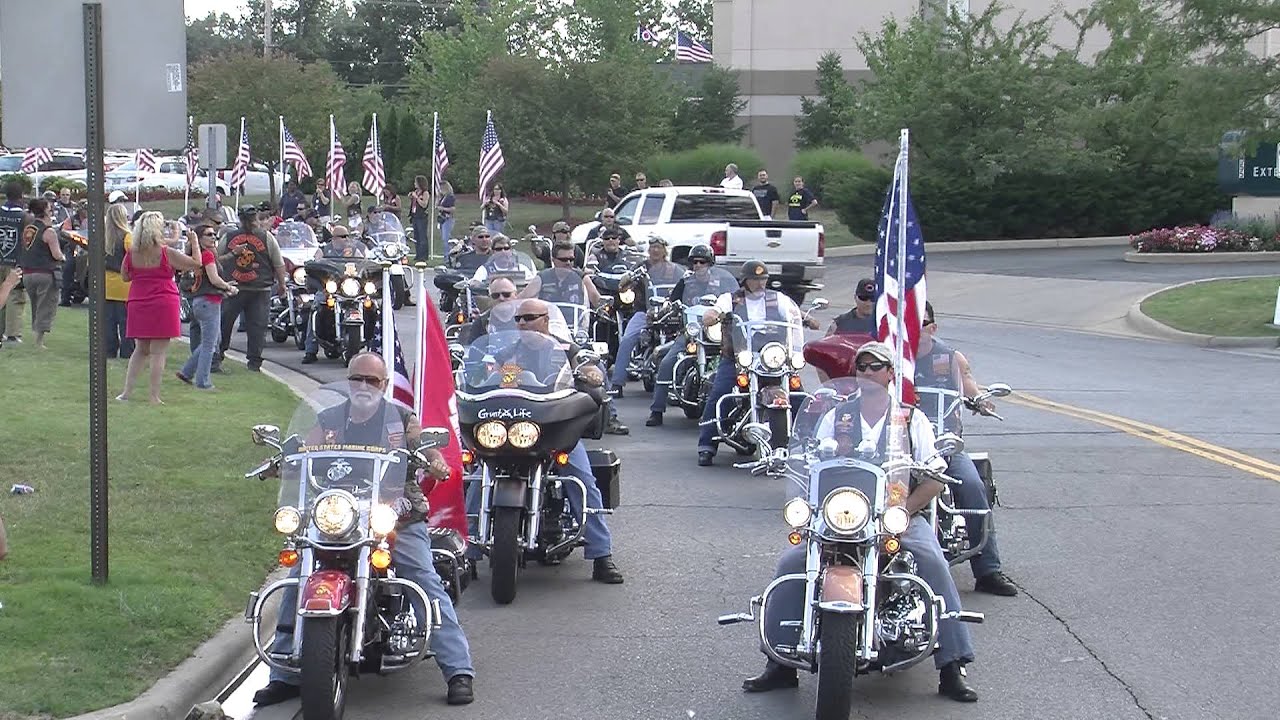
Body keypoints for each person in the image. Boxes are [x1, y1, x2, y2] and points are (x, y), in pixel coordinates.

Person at [740, 340, 980, 702]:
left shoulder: (911, 419)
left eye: (876, 367)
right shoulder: (836, 416)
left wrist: (904, 512)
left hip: (895, 514)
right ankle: (780, 663)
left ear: (890, 374)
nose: (868, 373)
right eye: (862, 367)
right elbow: (806, 461)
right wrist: (788, 468)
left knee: (931, 560)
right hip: (838, 514)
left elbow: (933, 477)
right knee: (792, 564)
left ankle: (952, 665)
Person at [251, 352, 477, 707]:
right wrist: (280, 461)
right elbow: (303, 449)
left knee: (422, 576)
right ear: (348, 380)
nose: (364, 386)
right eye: (358, 378)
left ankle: (458, 669)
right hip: (338, 514)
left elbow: (422, 448)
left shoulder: (401, 420)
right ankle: (285, 674)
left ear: (384, 385)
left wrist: (435, 463)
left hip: (394, 513)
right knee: (298, 578)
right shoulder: (328, 420)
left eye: (373, 381)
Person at [463, 298, 625, 583]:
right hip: (508, 427)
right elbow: (479, 374)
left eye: (529, 318)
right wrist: (467, 373)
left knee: (582, 480)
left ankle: (602, 555)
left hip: (549, 431)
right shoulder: (504, 352)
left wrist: (592, 373)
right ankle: (467, 556)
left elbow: (591, 370)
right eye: (519, 319)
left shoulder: (565, 349)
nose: (523, 324)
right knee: (478, 478)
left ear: (546, 319)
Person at [916, 301, 1017, 596]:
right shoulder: (894, 359)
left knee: (973, 486)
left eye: (921, 322)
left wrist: (980, 401)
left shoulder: (950, 358)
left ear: (933, 327)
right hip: (905, 445)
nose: (914, 328)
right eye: (908, 321)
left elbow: (969, 385)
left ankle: (988, 570)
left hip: (945, 444)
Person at [694, 260, 817, 465]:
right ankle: (707, 445)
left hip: (773, 357)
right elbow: (713, 313)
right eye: (755, 280)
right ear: (745, 281)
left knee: (798, 395)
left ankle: (810, 443)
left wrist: (806, 318)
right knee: (720, 392)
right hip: (739, 357)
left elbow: (792, 313)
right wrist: (713, 315)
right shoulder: (730, 299)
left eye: (763, 279)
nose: (760, 283)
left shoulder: (778, 298)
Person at [645, 244, 738, 427]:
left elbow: (736, 298)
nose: (698, 266)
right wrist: (667, 308)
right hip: (691, 332)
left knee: (741, 363)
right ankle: (657, 410)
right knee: (667, 363)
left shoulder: (723, 282)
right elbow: (671, 302)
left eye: (702, 262)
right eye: (694, 262)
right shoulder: (686, 282)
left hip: (718, 333)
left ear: (710, 263)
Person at [117, 213, 202, 404]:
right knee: (158, 352)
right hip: (163, 301)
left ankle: (126, 392)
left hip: (139, 300)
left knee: (140, 349)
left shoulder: (132, 253)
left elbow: (125, 276)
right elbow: (196, 264)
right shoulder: (166, 253)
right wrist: (194, 242)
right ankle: (154, 396)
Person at [214, 206, 287, 373]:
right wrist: (282, 284)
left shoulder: (228, 236)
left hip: (236, 288)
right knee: (257, 327)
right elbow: (278, 263)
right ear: (256, 219)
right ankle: (253, 363)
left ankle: (218, 358)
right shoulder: (266, 237)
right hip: (257, 288)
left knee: (225, 324)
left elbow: (217, 260)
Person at [609, 237, 683, 394]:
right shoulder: (641, 267)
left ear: (665, 250)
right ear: (648, 250)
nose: (655, 250)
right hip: (645, 311)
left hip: (669, 312)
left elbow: (685, 283)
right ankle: (617, 383)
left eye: (659, 247)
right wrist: (628, 279)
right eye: (653, 247)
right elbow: (623, 285)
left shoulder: (675, 269)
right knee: (628, 338)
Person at [177, 224, 239, 390]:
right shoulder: (207, 255)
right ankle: (203, 382)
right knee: (209, 345)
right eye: (209, 234)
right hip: (208, 303)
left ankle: (186, 371)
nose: (213, 237)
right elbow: (214, 279)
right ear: (199, 238)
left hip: (203, 302)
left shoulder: (200, 255)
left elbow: (209, 281)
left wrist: (224, 285)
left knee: (210, 341)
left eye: (214, 234)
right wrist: (229, 287)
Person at [301, 225, 365, 364]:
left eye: (347, 236)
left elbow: (364, 262)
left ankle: (378, 348)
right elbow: (315, 263)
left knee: (372, 307)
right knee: (315, 308)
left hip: (350, 288)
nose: (346, 239)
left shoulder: (354, 250)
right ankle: (310, 350)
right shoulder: (324, 250)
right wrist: (314, 265)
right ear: (334, 238)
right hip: (329, 288)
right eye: (342, 236)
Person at [18, 198, 67, 349]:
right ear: (45, 211)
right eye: (50, 208)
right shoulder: (49, 232)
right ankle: (39, 342)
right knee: (46, 306)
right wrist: (64, 257)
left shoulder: (28, 229)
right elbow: (57, 254)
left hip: (27, 274)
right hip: (45, 273)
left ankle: (36, 335)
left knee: (35, 305)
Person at [102, 203, 135, 359]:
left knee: (108, 322)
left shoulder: (102, 237)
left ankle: (109, 351)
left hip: (106, 284)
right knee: (126, 322)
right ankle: (127, 352)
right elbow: (134, 257)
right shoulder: (127, 236)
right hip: (124, 285)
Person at [0, 182, 29, 347]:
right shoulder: (25, 217)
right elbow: (26, 242)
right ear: (21, 196)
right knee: (15, 297)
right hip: (15, 261)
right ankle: (12, 334)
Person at [409, 175, 431, 262]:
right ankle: (418, 255)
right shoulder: (416, 191)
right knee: (416, 236)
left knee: (422, 237)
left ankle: (424, 256)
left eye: (416, 182)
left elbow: (424, 204)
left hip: (422, 217)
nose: (414, 184)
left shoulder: (425, 193)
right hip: (415, 216)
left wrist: (417, 197)